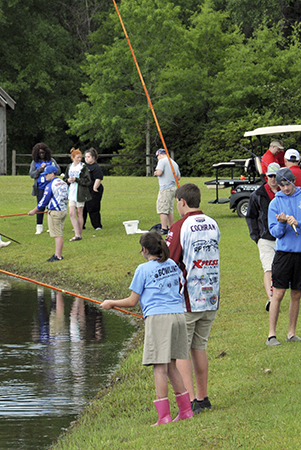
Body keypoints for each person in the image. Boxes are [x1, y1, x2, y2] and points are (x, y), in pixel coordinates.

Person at [100, 232, 193, 426]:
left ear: (144, 250)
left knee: (159, 367)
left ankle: (164, 417)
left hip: (159, 319)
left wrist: (110, 303)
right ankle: (185, 411)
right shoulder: (172, 264)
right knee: (172, 365)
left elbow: (132, 301)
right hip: (178, 316)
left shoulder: (143, 269)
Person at [167, 183, 220, 415]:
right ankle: (202, 398)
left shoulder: (179, 226)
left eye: (176, 202)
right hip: (212, 296)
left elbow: (168, 259)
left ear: (182, 202)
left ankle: (187, 402)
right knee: (199, 347)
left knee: (181, 350)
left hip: (188, 297)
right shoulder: (213, 223)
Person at [266, 167, 301, 346]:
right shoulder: (275, 203)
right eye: (282, 185)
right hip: (283, 254)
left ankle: (291, 333)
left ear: (293, 182)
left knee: (296, 294)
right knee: (279, 293)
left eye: (288, 184)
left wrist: (299, 223)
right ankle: (271, 335)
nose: (285, 189)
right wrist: (282, 224)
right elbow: (274, 231)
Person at [246, 162, 281, 312]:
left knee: (280, 270)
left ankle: (278, 296)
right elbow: (251, 216)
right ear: (266, 177)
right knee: (268, 269)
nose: (273, 179)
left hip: (282, 238)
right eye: (270, 176)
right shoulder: (258, 194)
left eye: (275, 176)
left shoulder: (285, 192)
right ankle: (271, 300)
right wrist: (257, 236)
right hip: (265, 238)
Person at [28, 164, 68, 262]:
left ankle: (58, 256)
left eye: (46, 174)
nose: (45, 176)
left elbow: (44, 200)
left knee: (57, 235)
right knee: (59, 233)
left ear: (52, 173)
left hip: (55, 212)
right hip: (63, 210)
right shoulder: (63, 183)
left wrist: (34, 210)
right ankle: (58, 254)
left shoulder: (50, 185)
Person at [29, 143, 58, 234]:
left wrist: (50, 169)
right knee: (40, 206)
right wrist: (39, 170)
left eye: (43, 152)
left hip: (51, 186)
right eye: (39, 153)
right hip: (40, 187)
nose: (41, 154)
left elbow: (58, 170)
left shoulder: (51, 160)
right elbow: (31, 174)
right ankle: (39, 226)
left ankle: (52, 225)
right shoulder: (35, 162)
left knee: (51, 206)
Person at [153, 149, 180, 234]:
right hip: (173, 188)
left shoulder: (162, 161)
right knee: (169, 209)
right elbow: (178, 177)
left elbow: (160, 172)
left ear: (160, 155)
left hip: (165, 188)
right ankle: (171, 228)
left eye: (157, 157)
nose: (157, 159)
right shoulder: (174, 163)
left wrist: (155, 173)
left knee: (163, 209)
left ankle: (164, 228)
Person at [66, 148, 91, 241]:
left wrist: (76, 179)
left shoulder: (83, 167)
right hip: (71, 193)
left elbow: (88, 181)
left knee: (79, 213)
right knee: (71, 213)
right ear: (73, 158)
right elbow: (65, 178)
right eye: (77, 157)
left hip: (80, 193)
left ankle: (79, 234)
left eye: (80, 157)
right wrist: (68, 180)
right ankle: (77, 234)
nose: (79, 159)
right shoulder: (69, 167)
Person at [82, 148, 104, 230]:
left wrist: (95, 188)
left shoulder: (96, 167)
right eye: (85, 157)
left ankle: (97, 225)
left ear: (93, 158)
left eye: (88, 157)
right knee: (82, 208)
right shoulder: (83, 166)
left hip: (93, 190)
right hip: (84, 190)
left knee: (93, 207)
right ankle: (81, 225)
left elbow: (98, 178)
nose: (86, 158)